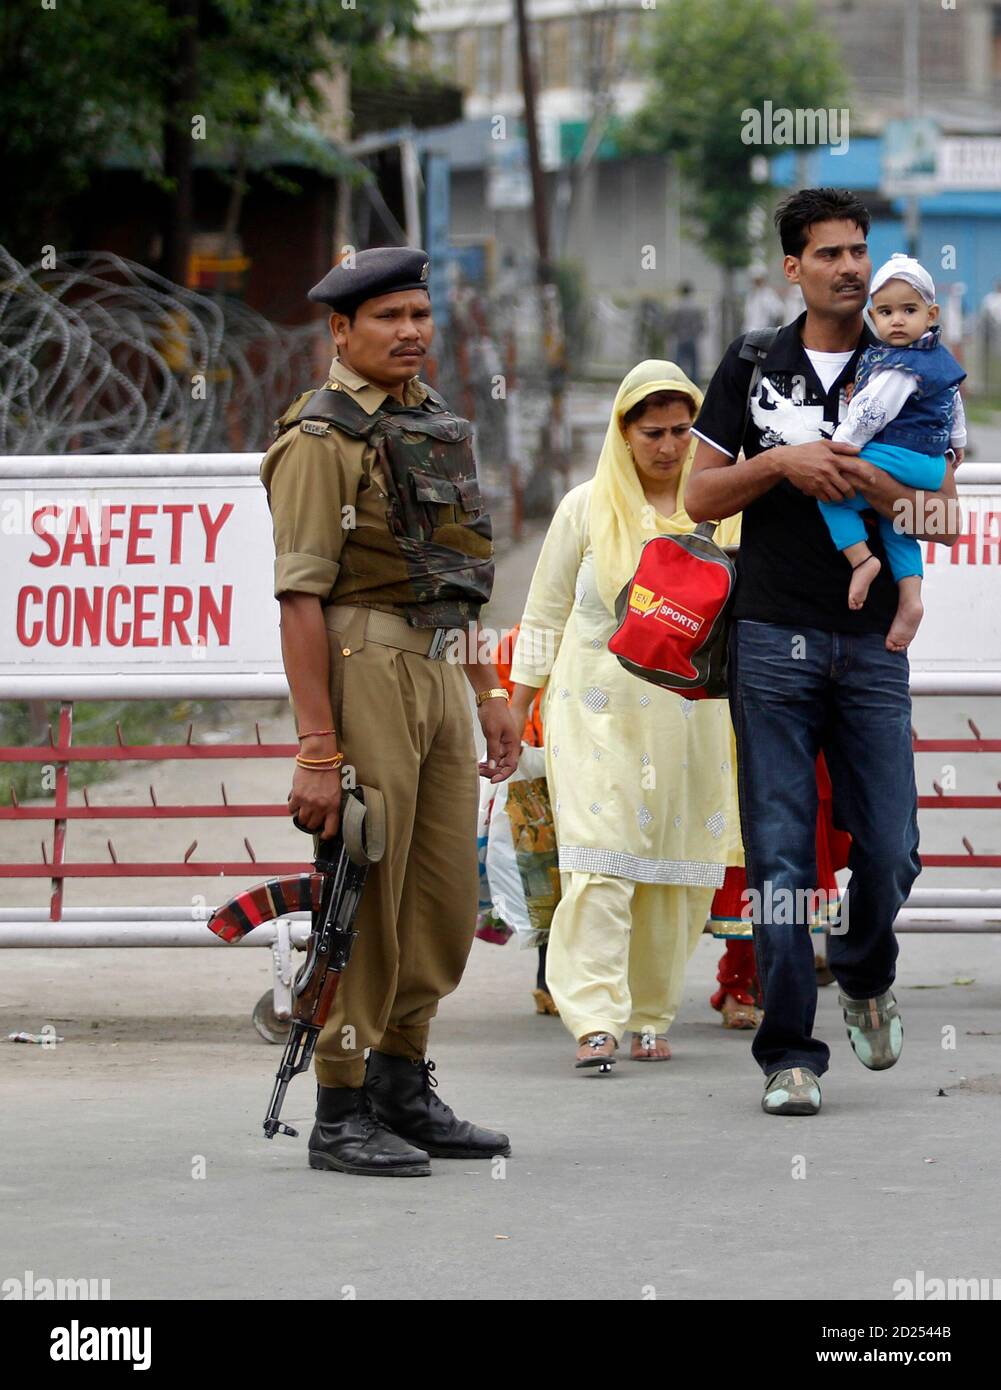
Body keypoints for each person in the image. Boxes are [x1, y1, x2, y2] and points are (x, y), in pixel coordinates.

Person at [686, 188, 962, 1117]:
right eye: (830, 253)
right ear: (791, 268)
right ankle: (788, 1054)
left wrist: (864, 479)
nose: (850, 267)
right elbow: (698, 498)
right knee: (778, 859)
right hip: (770, 637)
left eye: (860, 250)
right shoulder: (751, 362)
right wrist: (779, 465)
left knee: (889, 850)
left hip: (873, 643)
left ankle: (863, 966)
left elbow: (942, 515)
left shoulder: (915, 365)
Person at [259, 246, 520, 1175]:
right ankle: (339, 1107)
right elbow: (299, 600)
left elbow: (459, 584)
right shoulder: (319, 439)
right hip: (362, 661)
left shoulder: (437, 426)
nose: (411, 332)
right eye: (388, 318)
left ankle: (403, 1085)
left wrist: (487, 692)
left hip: (441, 670)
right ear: (340, 330)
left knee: (443, 897)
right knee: (364, 894)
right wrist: (318, 750)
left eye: (419, 314)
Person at [507, 361, 742, 1071]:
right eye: (652, 432)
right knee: (599, 862)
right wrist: (514, 710)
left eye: (680, 431)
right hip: (595, 710)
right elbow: (543, 615)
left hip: (690, 717)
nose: (668, 446)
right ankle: (592, 1018)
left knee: (677, 873)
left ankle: (648, 1012)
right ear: (623, 432)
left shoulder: (723, 511)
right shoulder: (585, 507)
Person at [824, 253, 967, 651]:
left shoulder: (897, 366)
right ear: (872, 315)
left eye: (909, 309)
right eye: (886, 312)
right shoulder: (940, 360)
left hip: (900, 454)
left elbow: (872, 413)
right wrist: (957, 446)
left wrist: (844, 447)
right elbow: (954, 405)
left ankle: (861, 560)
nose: (897, 320)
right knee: (897, 523)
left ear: (932, 313)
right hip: (931, 465)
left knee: (828, 489)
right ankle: (911, 600)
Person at [743, 267, 785, 334]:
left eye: (759, 280)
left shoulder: (769, 294)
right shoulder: (751, 295)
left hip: (764, 334)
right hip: (749, 332)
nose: (757, 282)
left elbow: (779, 311)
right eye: (755, 280)